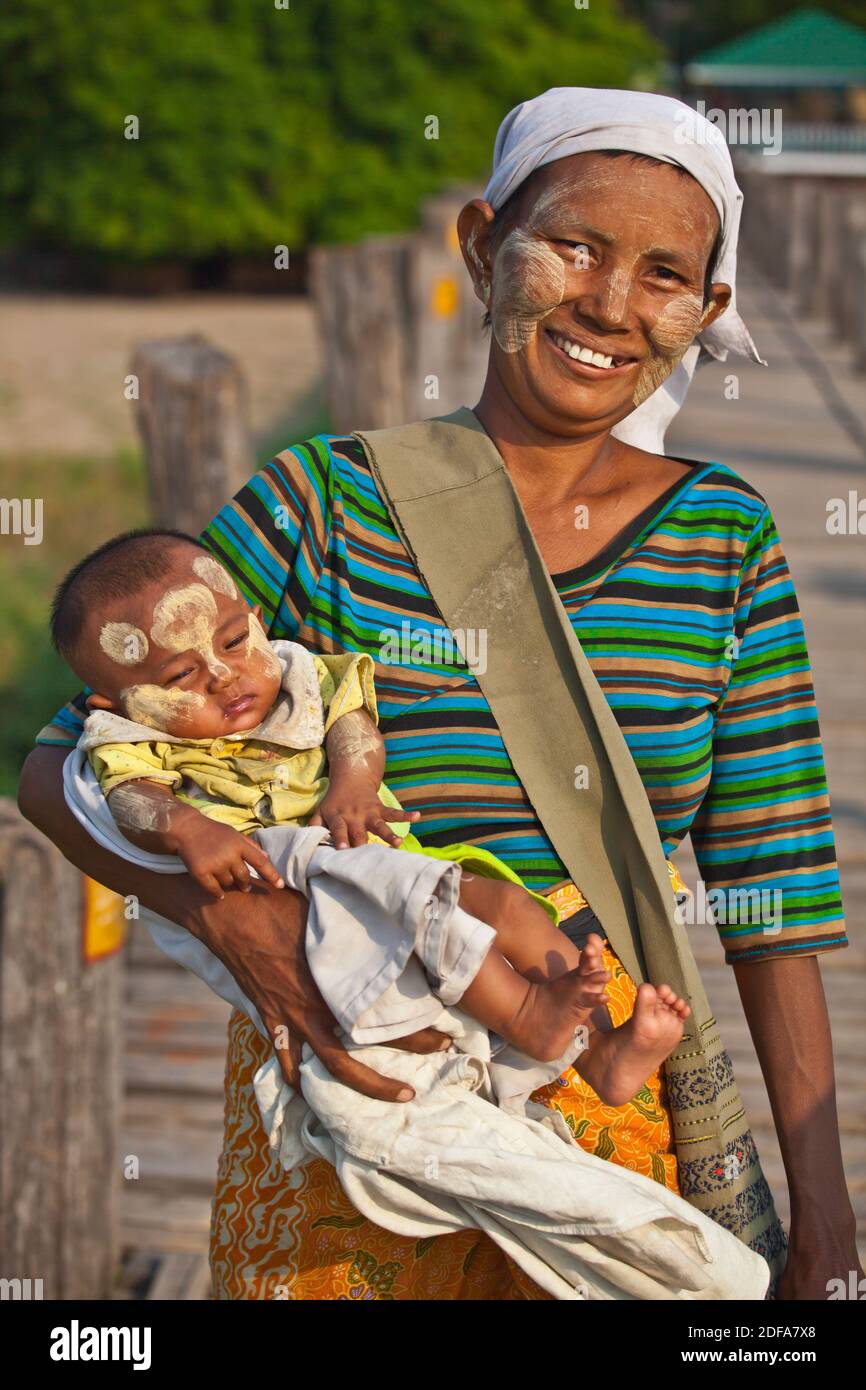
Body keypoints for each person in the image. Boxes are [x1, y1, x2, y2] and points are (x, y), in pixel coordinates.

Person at [20, 88, 860, 1301]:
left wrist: (826, 1227)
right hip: (346, 1088)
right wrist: (230, 924)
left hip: (596, 1104)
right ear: (480, 245)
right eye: (571, 245)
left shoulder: (721, 534)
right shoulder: (326, 502)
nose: (609, 305)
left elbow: (773, 882)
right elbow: (60, 758)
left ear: (705, 311)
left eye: (663, 273)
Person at [50, 526, 692, 1102]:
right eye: (183, 676)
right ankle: (530, 1015)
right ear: (114, 703)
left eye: (235, 640)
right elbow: (131, 801)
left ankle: (603, 1051)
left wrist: (355, 786)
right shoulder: (132, 741)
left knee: (509, 909)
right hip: (313, 894)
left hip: (389, 860)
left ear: (254, 615)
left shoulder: (306, 678)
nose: (224, 675)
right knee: (440, 932)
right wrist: (188, 826)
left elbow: (356, 736)